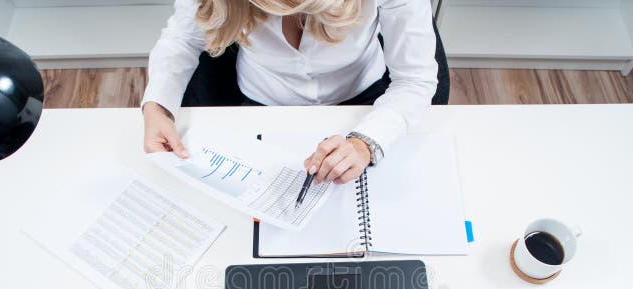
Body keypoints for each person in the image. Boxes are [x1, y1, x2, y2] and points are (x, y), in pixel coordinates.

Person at [142, 0, 438, 185]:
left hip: (364, 101)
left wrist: (366, 143)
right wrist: (157, 107)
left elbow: (415, 79)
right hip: (261, 101)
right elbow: (182, 39)